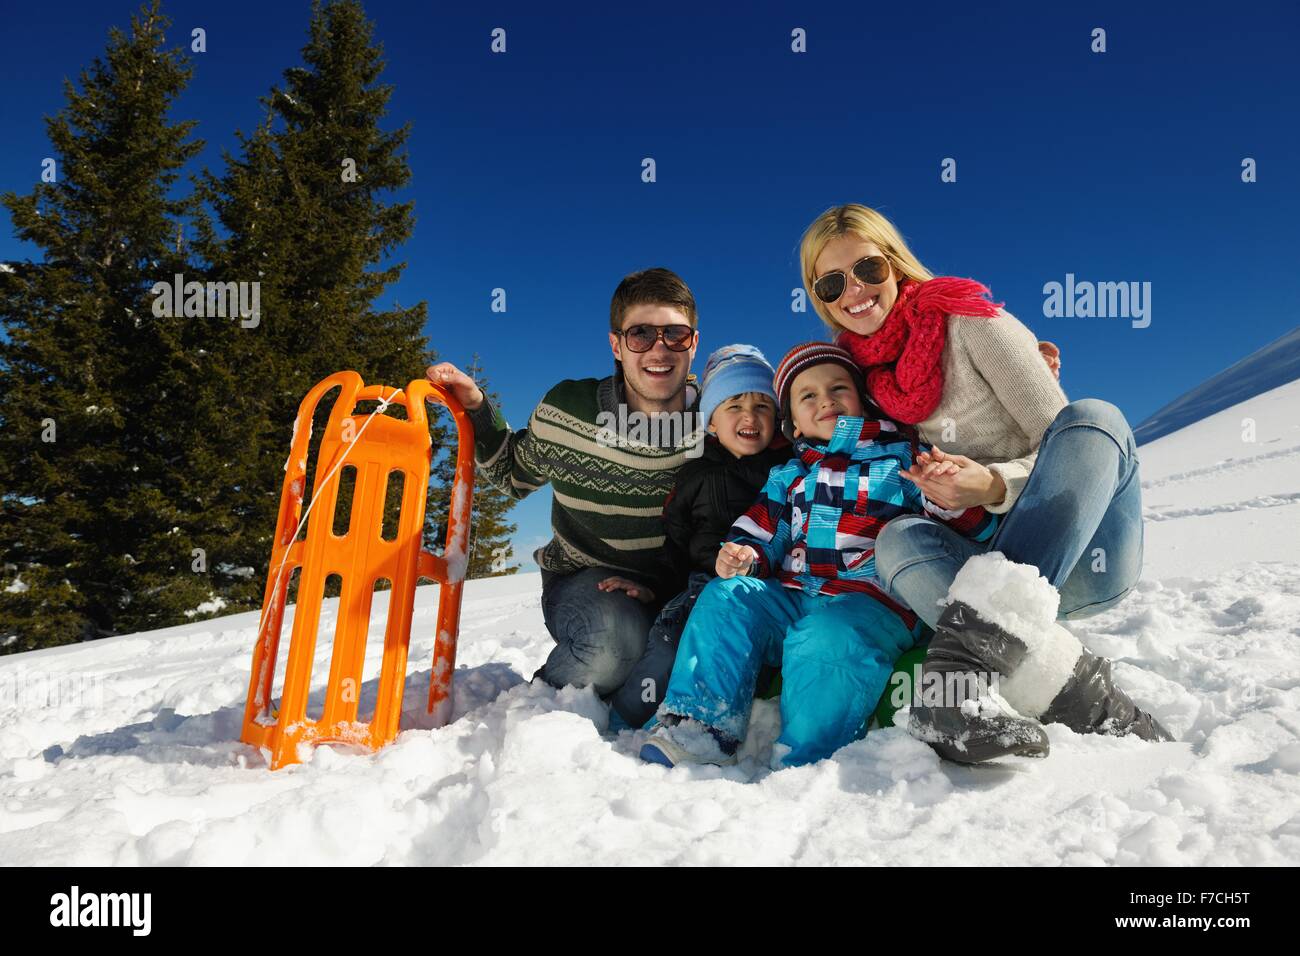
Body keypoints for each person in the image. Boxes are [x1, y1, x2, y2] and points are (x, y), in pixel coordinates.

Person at [799, 203, 1171, 763]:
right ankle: (1050, 699)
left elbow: (1071, 446)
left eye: (868, 269)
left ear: (896, 265)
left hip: (1077, 556)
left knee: (1097, 416)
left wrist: (994, 485)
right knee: (897, 539)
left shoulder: (971, 322)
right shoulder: (861, 380)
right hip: (978, 559)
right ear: (820, 299)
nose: (854, 290)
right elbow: (815, 445)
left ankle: (959, 676)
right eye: (832, 283)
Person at [639, 343, 999, 769]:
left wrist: (949, 497)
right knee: (726, 596)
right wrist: (743, 555)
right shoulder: (789, 475)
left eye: (838, 388)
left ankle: (806, 754)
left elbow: (969, 532)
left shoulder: (902, 459)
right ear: (791, 421)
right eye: (807, 395)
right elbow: (763, 531)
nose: (825, 399)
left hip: (868, 603)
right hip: (793, 596)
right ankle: (700, 726)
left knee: (827, 637)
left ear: (861, 399)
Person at [426, 267, 703, 701]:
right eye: (641, 334)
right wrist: (478, 407)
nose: (659, 348)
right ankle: (539, 709)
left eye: (675, 334)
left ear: (694, 342)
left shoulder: (720, 421)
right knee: (611, 647)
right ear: (616, 345)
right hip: (586, 581)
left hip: (680, 590)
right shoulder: (568, 411)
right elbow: (512, 476)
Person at [608, 344, 792, 729]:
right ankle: (623, 720)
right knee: (671, 646)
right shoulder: (695, 475)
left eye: (762, 407)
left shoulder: (789, 468)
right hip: (703, 583)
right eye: (734, 405)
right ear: (711, 422)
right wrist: (651, 589)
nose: (750, 417)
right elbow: (674, 545)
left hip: (771, 587)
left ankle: (732, 717)